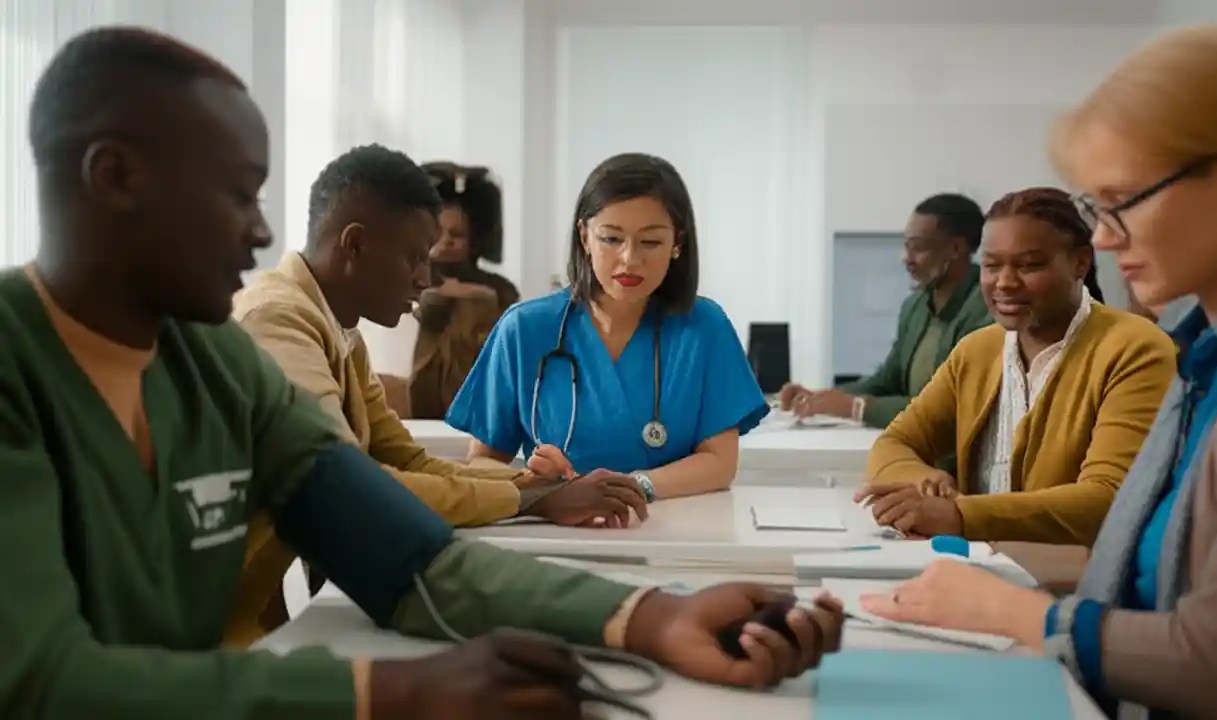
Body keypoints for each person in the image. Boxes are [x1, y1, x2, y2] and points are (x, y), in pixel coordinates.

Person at [0, 27, 845, 719]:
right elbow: (44, 681)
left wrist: (652, 620)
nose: (260, 234)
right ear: (114, 177)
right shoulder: (18, 363)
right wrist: (388, 691)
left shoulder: (217, 363)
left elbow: (412, 560)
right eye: (238, 194)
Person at [861, 25, 1217, 719]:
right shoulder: (1206, 356)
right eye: (1096, 209)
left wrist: (1012, 608)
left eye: (1124, 201)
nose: (1108, 236)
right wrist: (972, 572)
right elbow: (1130, 567)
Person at [231, 145, 646, 646]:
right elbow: (353, 489)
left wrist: (533, 481)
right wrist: (532, 498)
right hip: (214, 639)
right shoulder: (276, 319)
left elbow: (407, 460)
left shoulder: (339, 329)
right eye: (414, 257)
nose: (426, 278)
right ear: (355, 245)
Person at [854, 188, 1175, 545]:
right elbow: (896, 441)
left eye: (1029, 265)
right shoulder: (978, 350)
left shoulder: (1134, 348)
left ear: (1080, 262)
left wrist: (960, 515)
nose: (1004, 282)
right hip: (979, 568)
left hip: (1073, 582)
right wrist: (921, 481)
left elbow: (1109, 498)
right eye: (992, 265)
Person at [446, 153, 770, 501]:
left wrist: (634, 488)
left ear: (677, 243)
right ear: (585, 237)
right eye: (612, 239)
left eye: (650, 242)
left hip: (675, 532)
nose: (630, 258)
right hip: (557, 530)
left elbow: (719, 463)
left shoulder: (705, 328)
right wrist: (536, 481)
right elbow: (483, 464)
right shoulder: (524, 329)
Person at [779, 194, 992, 429]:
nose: (906, 258)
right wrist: (820, 398)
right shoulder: (915, 306)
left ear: (956, 248)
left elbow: (951, 407)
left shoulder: (987, 308)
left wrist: (857, 408)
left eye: (918, 247)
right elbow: (887, 380)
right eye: (906, 245)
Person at [409, 162, 519, 419]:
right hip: (426, 395)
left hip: (482, 392)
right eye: (438, 233)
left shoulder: (499, 288)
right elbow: (426, 303)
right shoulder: (416, 278)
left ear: (475, 239)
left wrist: (474, 295)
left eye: (456, 234)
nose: (445, 241)